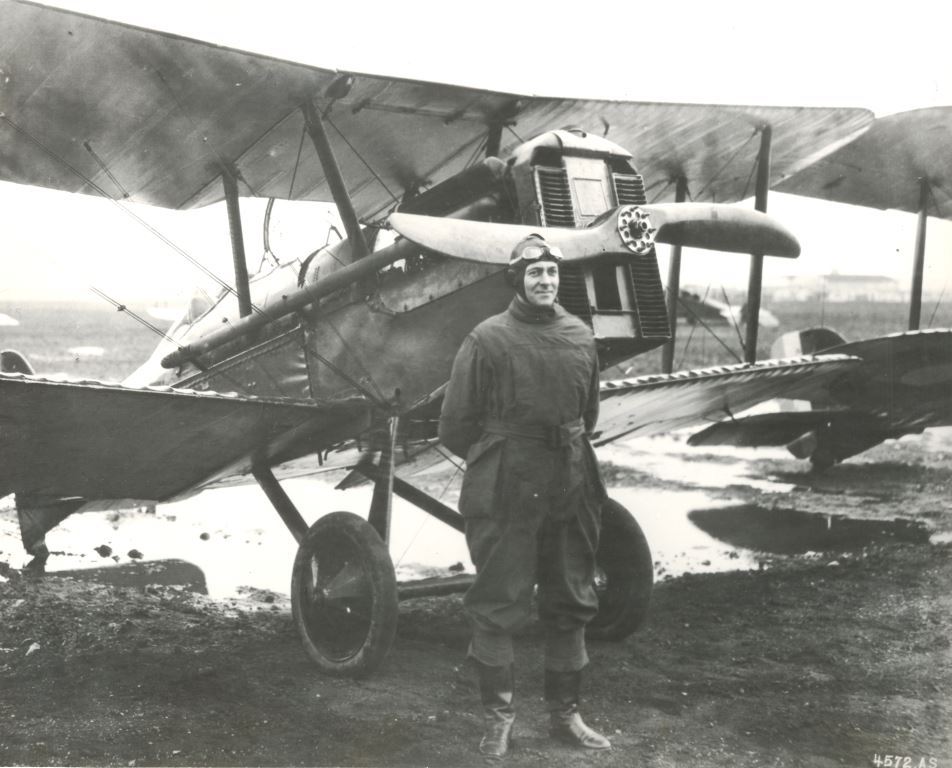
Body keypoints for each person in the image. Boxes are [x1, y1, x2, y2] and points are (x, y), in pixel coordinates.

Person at [439, 234, 611, 757]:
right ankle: (499, 721)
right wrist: (505, 457)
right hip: (509, 484)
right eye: (534, 274)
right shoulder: (487, 339)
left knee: (571, 596)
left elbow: (589, 414)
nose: (545, 281)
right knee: (498, 600)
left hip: (571, 477)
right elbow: (455, 425)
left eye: (552, 274)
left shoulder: (580, 336)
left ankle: (566, 717)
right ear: (518, 279)